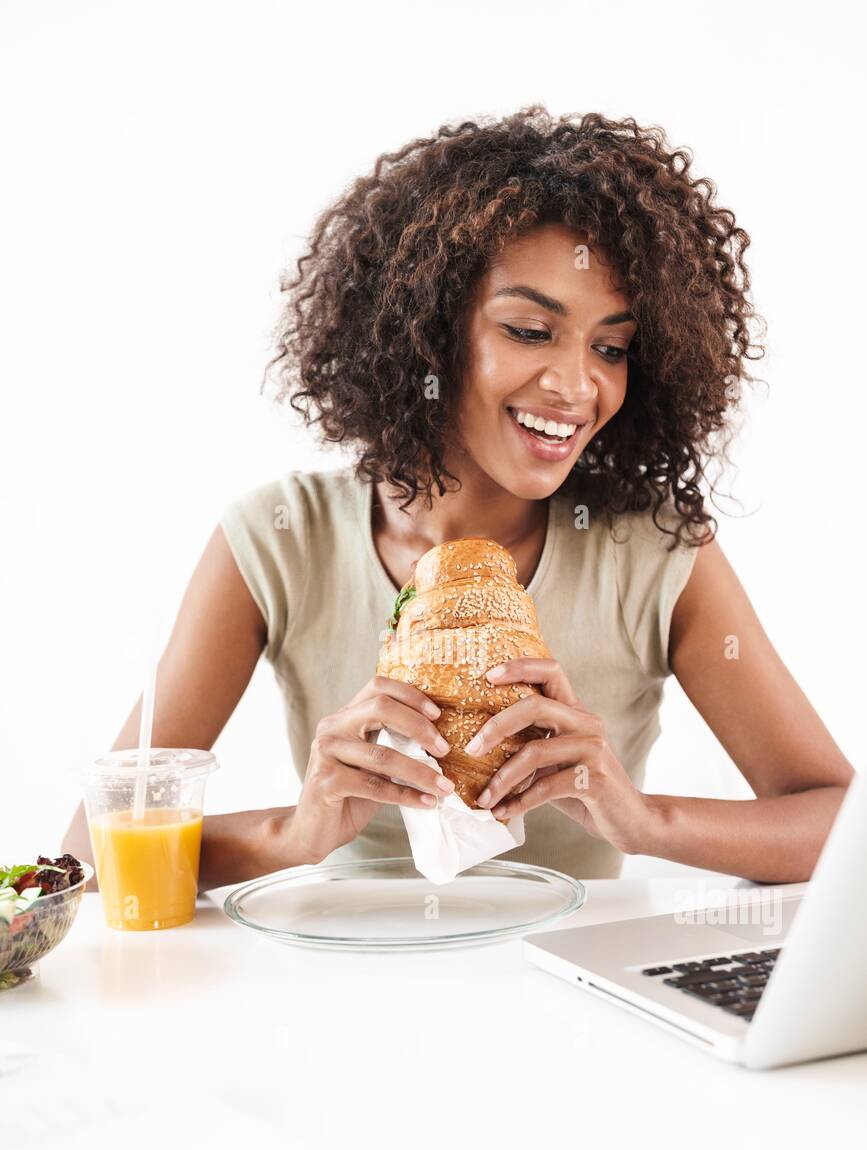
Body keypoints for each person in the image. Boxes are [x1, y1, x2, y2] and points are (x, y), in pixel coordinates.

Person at [63, 107, 854, 890]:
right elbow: (92, 857)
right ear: (429, 332)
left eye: (610, 348)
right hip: (339, 984)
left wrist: (641, 820)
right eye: (529, 331)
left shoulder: (651, 549)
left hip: (581, 998)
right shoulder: (277, 539)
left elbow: (838, 819)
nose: (577, 385)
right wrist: (293, 833)